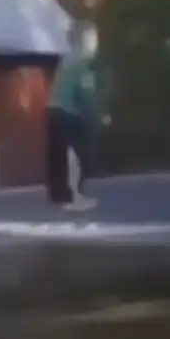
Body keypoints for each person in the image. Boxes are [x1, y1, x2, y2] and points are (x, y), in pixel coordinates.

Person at [46, 22, 108, 210]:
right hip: (69, 113)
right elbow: (85, 93)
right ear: (85, 42)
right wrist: (99, 114)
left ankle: (59, 196)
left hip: (53, 111)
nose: (96, 46)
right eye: (94, 41)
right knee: (76, 156)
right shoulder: (82, 63)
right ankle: (74, 196)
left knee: (59, 156)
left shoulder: (66, 60)